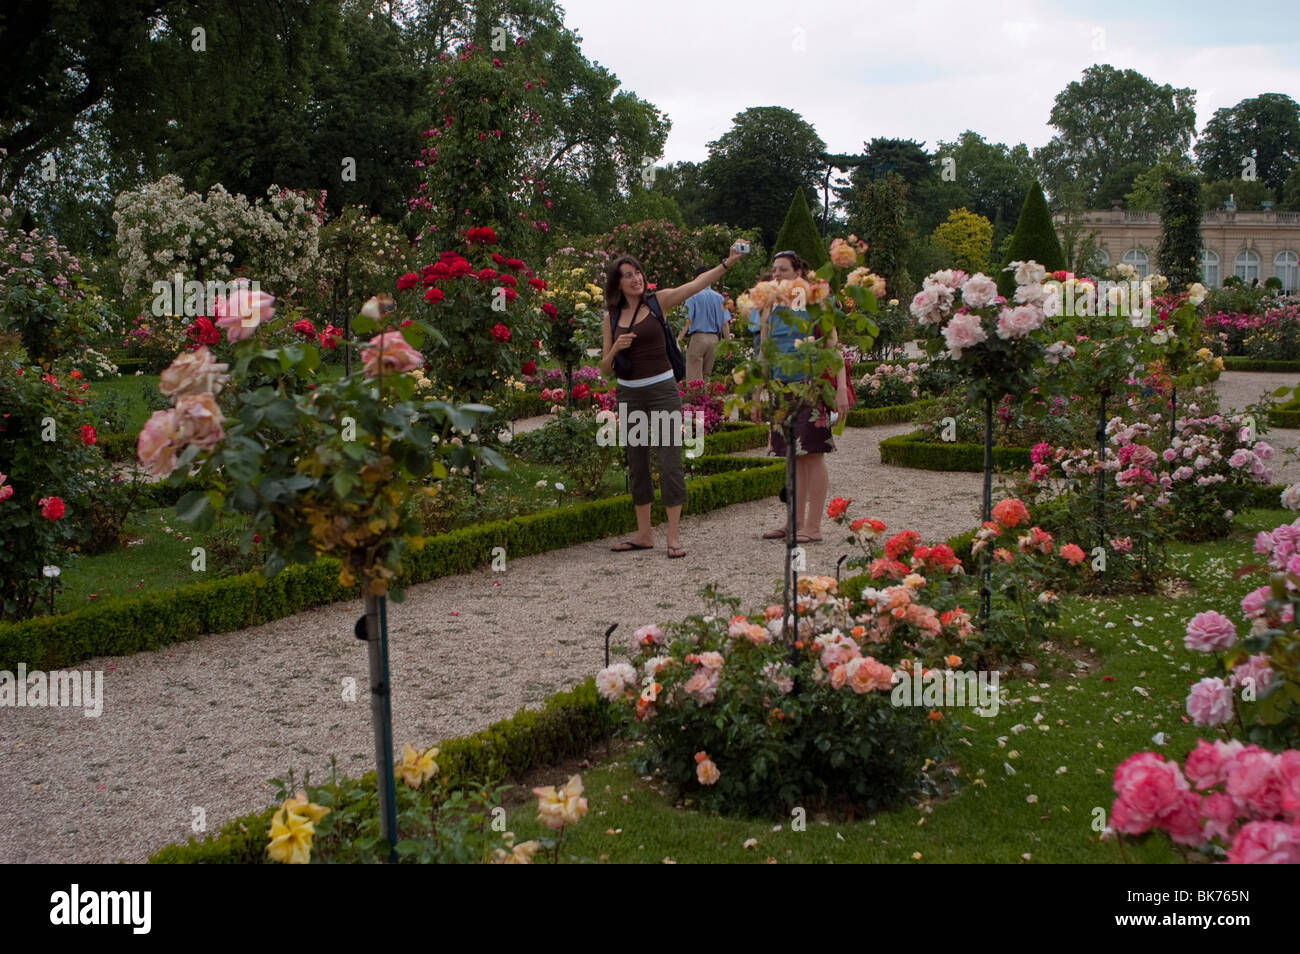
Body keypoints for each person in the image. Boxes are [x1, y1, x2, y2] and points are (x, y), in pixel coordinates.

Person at [601, 241, 748, 558]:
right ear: (618, 282)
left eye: (637, 271)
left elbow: (696, 284)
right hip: (629, 393)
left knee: (669, 461)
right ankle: (643, 535)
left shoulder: (658, 302)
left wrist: (728, 263)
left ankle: (672, 537)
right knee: (637, 463)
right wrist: (617, 348)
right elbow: (603, 368)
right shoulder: (612, 317)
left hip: (662, 391)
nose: (635, 278)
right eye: (627, 275)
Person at [754, 250, 850, 544]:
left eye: (782, 269)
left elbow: (833, 346)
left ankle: (813, 526)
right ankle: (793, 523)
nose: (777, 274)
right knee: (791, 459)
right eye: (774, 270)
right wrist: (757, 393)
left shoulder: (814, 300)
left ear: (798, 272)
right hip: (781, 390)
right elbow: (764, 352)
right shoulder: (771, 306)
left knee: (812, 456)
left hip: (809, 385)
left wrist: (842, 388)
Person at [677, 270, 732, 382]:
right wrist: (728, 345)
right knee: (706, 376)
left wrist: (678, 340)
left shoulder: (692, 296)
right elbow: (725, 323)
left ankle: (696, 399)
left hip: (698, 338)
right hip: (714, 340)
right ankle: (707, 399)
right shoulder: (720, 298)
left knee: (694, 379)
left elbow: (687, 320)